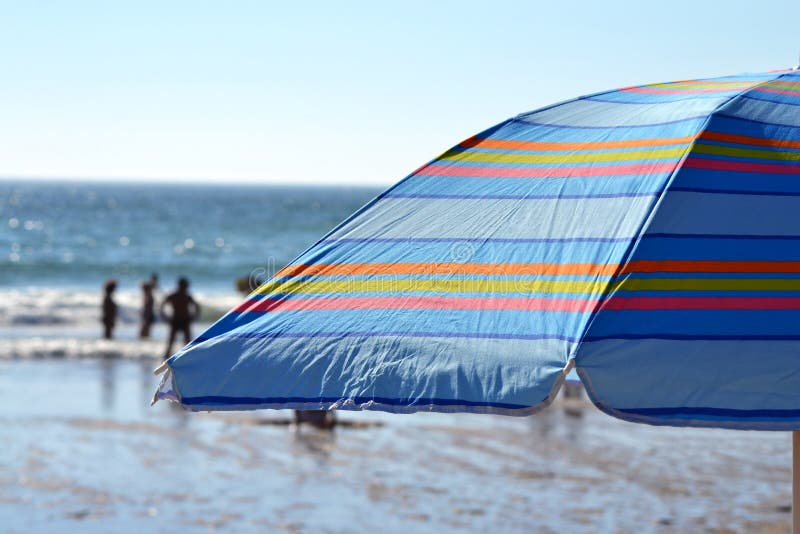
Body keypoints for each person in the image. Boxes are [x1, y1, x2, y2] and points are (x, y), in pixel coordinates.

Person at [160, 277, 200, 359]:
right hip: (176, 320)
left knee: (186, 342)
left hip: (184, 320)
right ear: (182, 285)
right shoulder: (176, 295)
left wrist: (194, 316)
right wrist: (164, 315)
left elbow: (197, 306)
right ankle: (166, 359)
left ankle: (188, 357)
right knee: (171, 342)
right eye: (185, 285)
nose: (186, 287)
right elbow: (162, 305)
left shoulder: (184, 296)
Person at [139, 273, 158, 339]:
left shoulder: (148, 294)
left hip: (147, 311)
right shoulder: (148, 295)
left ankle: (144, 337)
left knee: (146, 325)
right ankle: (143, 337)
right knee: (146, 325)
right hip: (147, 312)